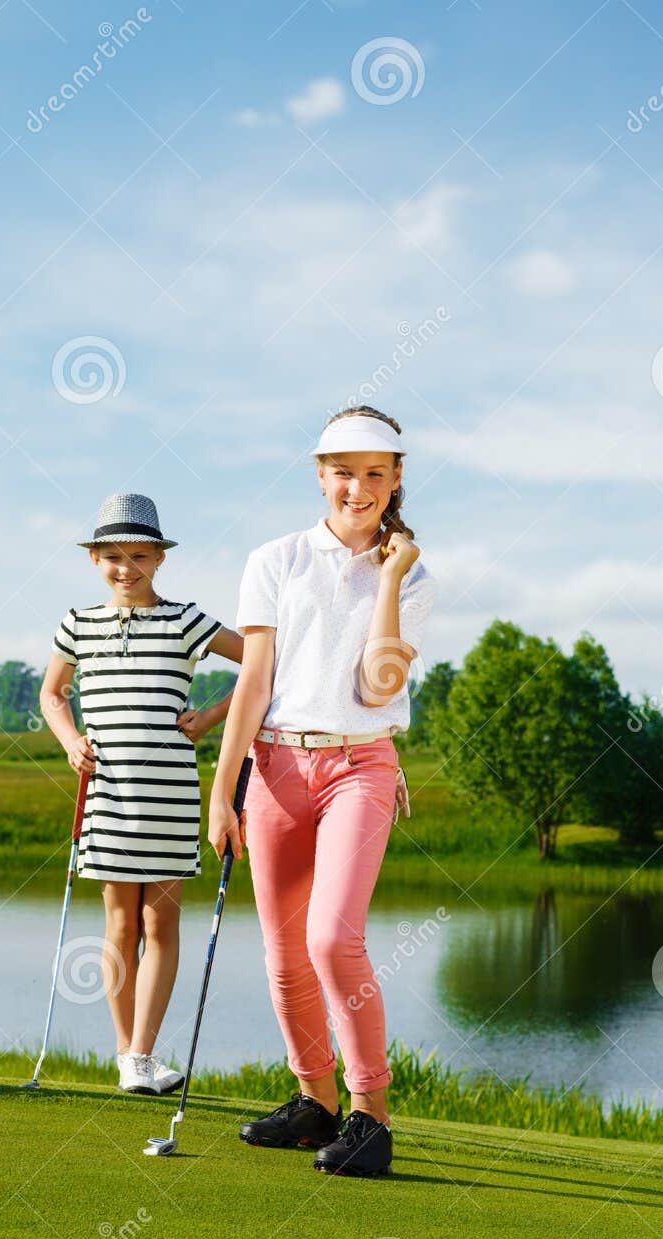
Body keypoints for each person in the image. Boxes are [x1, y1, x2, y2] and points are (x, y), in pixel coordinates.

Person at [208, 407, 437, 1176]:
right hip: (274, 769)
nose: (358, 487)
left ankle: (371, 1115)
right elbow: (255, 680)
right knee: (283, 957)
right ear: (318, 473)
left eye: (376, 472)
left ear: (396, 477)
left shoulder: (415, 577)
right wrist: (223, 788)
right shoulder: (274, 560)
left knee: (331, 939)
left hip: (359, 768)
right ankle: (315, 1103)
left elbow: (378, 688)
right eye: (344, 471)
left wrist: (391, 579)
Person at [40, 492, 244, 1096]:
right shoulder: (77, 624)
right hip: (108, 793)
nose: (125, 568)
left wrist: (209, 717)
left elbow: (265, 661)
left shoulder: (187, 620)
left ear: (159, 558)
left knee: (160, 923)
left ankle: (141, 1052)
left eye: (138, 555)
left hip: (170, 795)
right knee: (117, 924)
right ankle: (129, 1056)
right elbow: (52, 695)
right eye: (112, 556)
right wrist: (70, 739)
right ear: (94, 560)